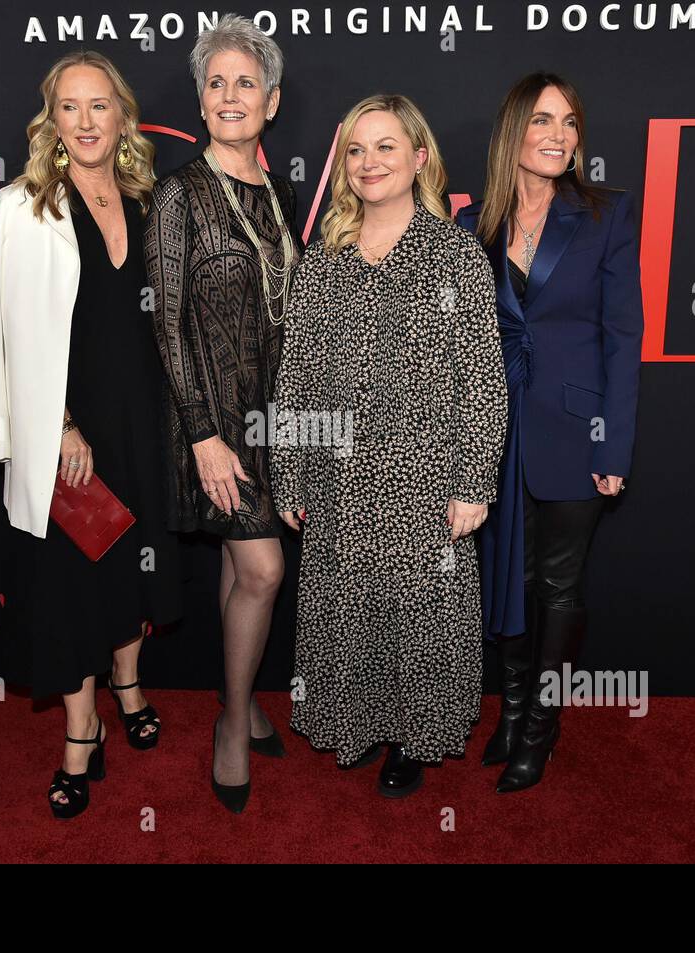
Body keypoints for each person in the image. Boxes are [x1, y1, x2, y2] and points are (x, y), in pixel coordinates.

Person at [270, 94, 508, 799]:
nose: (370, 162)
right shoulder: (322, 260)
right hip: (339, 478)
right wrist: (290, 475)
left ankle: (415, 734)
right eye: (356, 150)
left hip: (426, 476)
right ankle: (356, 723)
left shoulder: (456, 255)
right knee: (349, 606)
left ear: (419, 158)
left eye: (386, 147)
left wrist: (473, 480)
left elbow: (484, 382)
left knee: (419, 611)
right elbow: (298, 375)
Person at [0, 51, 182, 819]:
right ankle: (79, 732)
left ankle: (129, 685)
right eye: (72, 106)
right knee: (71, 585)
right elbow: (8, 330)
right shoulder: (24, 204)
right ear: (52, 121)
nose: (88, 120)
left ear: (123, 117)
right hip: (69, 427)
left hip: (142, 417)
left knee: (133, 564)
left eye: (102, 106)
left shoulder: (149, 197)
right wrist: (58, 424)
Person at [456, 72, 643, 793]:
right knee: (507, 578)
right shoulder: (479, 224)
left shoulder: (606, 214)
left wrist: (613, 444)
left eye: (569, 123)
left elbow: (624, 336)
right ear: (514, 132)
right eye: (543, 120)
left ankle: (541, 726)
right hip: (497, 431)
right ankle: (506, 714)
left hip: (577, 427)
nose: (560, 135)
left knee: (559, 587)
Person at [143, 14, 300, 813]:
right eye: (216, 83)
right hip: (210, 418)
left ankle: (242, 699)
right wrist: (203, 433)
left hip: (277, 420)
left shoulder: (282, 194)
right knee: (265, 569)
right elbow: (164, 322)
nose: (231, 96)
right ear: (200, 101)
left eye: (246, 83)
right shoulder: (178, 196)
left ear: (270, 102)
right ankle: (233, 721)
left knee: (245, 568)